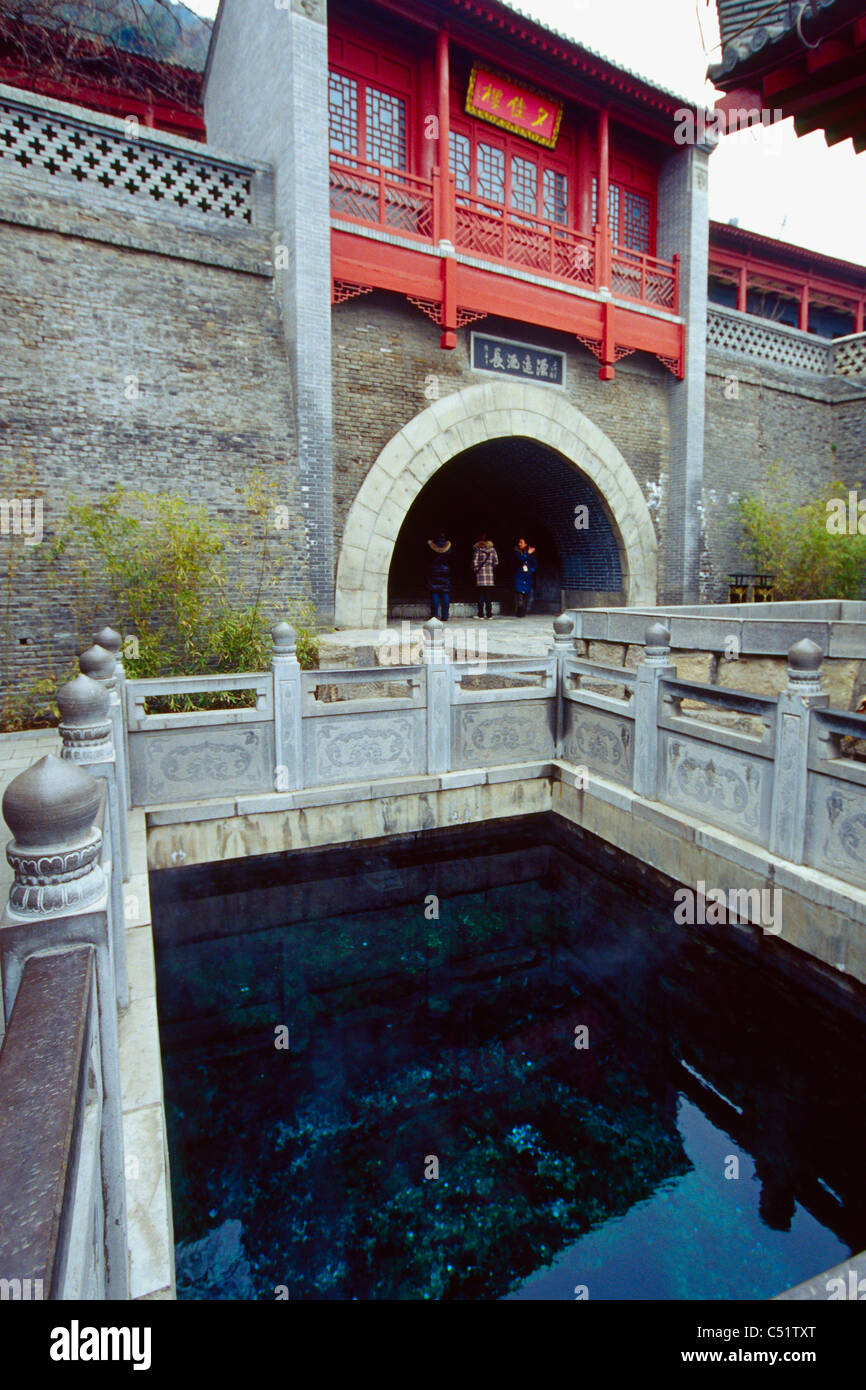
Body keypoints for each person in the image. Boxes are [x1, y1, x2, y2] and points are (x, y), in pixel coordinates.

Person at [472, 532, 498, 618]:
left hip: (480, 576)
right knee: (488, 596)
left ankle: (481, 615)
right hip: (489, 577)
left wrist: (477, 570)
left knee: (480, 596)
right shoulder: (492, 550)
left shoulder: (478, 549)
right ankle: (489, 615)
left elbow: (474, 563)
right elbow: (496, 562)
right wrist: (490, 568)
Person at [427, 530, 451, 621]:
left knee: (435, 592)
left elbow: (427, 559)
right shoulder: (448, 546)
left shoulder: (431, 547)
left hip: (434, 571)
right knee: (445, 592)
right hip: (445, 571)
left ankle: (434, 615)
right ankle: (445, 616)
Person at [513, 537, 536, 617]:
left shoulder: (531, 553)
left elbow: (534, 563)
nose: (519, 544)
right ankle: (519, 612)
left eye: (521, 542)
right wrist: (528, 554)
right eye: (519, 542)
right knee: (520, 594)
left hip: (527, 576)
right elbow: (520, 559)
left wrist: (531, 570)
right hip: (519, 576)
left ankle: (524, 611)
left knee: (526, 594)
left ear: (526, 544)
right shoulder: (517, 552)